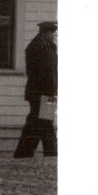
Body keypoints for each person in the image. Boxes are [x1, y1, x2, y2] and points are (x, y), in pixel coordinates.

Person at [14, 20, 58, 159]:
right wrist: (52, 94)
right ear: (47, 32)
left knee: (35, 124)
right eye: (53, 33)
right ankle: (52, 155)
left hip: (37, 92)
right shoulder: (45, 48)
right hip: (45, 93)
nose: (54, 36)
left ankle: (23, 154)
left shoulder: (37, 45)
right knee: (46, 124)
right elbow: (49, 73)